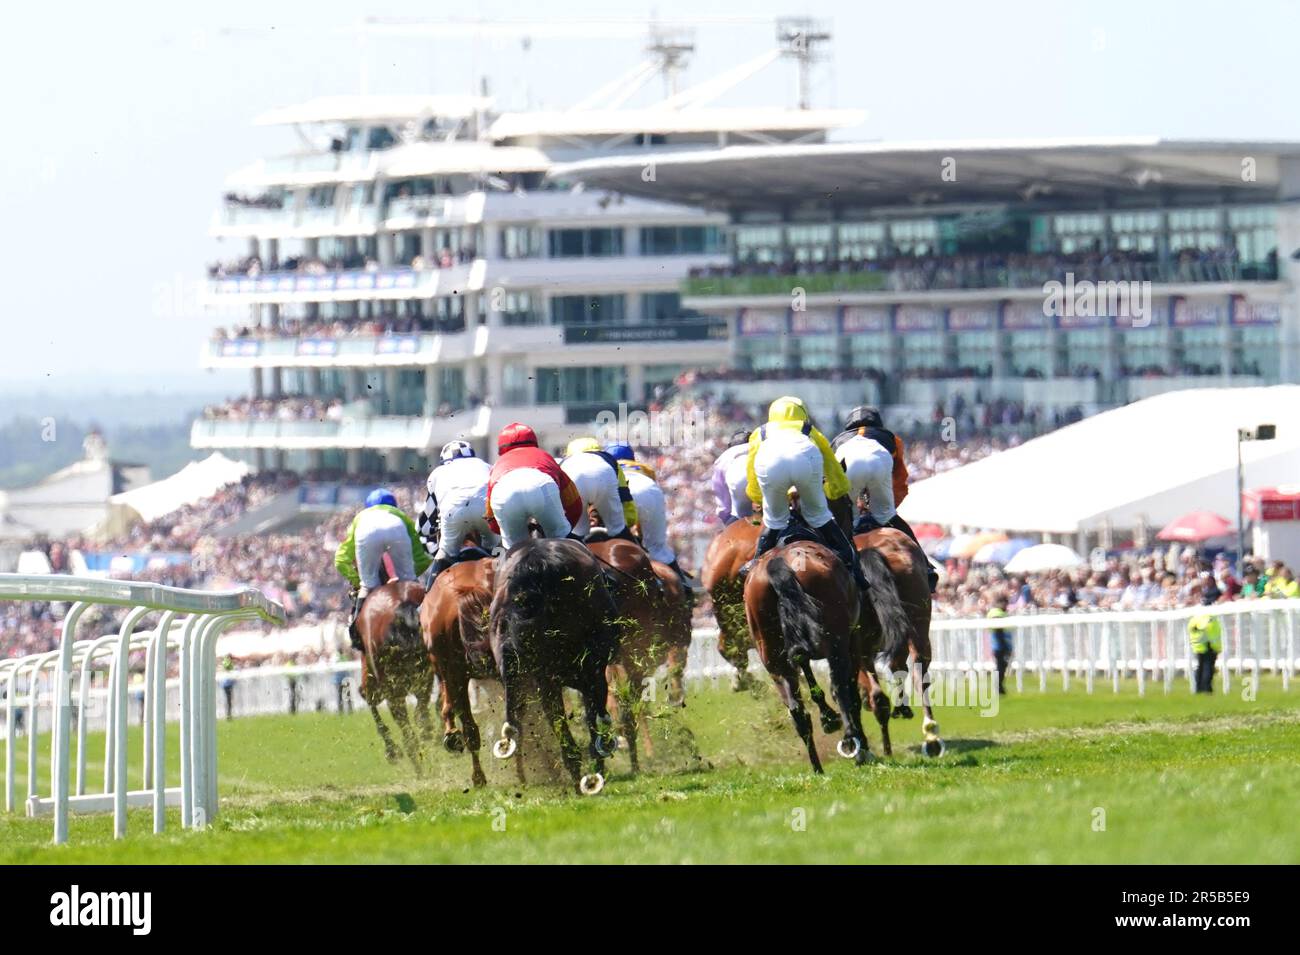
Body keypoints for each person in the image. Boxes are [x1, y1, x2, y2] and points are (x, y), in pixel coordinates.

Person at [742, 396, 868, 589]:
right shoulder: (809, 429)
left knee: (774, 520)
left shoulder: (760, 432)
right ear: (802, 413)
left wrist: (756, 496)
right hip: (805, 459)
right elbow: (830, 463)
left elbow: (751, 468)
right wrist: (836, 489)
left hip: (769, 462)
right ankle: (855, 569)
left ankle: (755, 562)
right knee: (819, 516)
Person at [833, 405, 937, 592]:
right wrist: (885, 510)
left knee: (847, 522)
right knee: (888, 515)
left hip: (849, 466)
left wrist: (850, 510)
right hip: (879, 462)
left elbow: (833, 486)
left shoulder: (838, 441)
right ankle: (926, 567)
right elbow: (900, 481)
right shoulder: (891, 439)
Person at [334, 488, 431, 650]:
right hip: (396, 528)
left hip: (366, 531)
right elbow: (423, 557)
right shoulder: (400, 516)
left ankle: (356, 632)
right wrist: (407, 579)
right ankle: (426, 625)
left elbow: (340, 560)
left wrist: (360, 581)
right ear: (394, 506)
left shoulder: (360, 518)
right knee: (410, 582)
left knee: (368, 584)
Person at [605, 442, 695, 592]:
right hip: (647, 488)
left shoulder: (605, 467)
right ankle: (685, 590)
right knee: (657, 548)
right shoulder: (643, 468)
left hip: (617, 490)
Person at [485, 423, 583, 550]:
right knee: (563, 541)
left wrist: (509, 530)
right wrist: (564, 529)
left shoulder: (497, 465)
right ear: (534, 442)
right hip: (542, 484)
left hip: (503, 491)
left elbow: (491, 520)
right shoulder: (545, 456)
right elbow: (574, 504)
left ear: (501, 449)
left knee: (512, 552)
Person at [418, 439, 497, 581]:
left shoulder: (437, 472)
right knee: (498, 549)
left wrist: (431, 530)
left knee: (445, 553)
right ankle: (515, 592)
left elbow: (426, 527)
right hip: (485, 512)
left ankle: (427, 596)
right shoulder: (487, 466)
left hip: (453, 514)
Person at [560, 436, 638, 541]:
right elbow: (624, 496)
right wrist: (628, 522)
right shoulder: (608, 458)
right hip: (604, 471)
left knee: (576, 533)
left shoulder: (564, 462)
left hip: (572, 475)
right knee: (618, 529)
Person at [710, 429, 754, 525]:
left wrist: (726, 519)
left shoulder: (723, 458)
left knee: (737, 519)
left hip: (739, 489)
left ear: (730, 446)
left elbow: (722, 501)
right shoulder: (760, 448)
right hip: (763, 485)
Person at [1187, 592, 1223, 693]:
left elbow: (1192, 628)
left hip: (1199, 645)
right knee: (1208, 668)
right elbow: (1207, 628)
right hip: (1209, 645)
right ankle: (1206, 688)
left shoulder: (1196, 617)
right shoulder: (1210, 617)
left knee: (1200, 667)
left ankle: (1198, 687)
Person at [986, 595, 1011, 695]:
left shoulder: (1000, 612)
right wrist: (1005, 645)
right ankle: (998, 687)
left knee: (1002, 667)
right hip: (1000, 645)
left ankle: (1000, 687)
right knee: (1000, 667)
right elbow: (998, 630)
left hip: (1001, 645)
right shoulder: (996, 613)